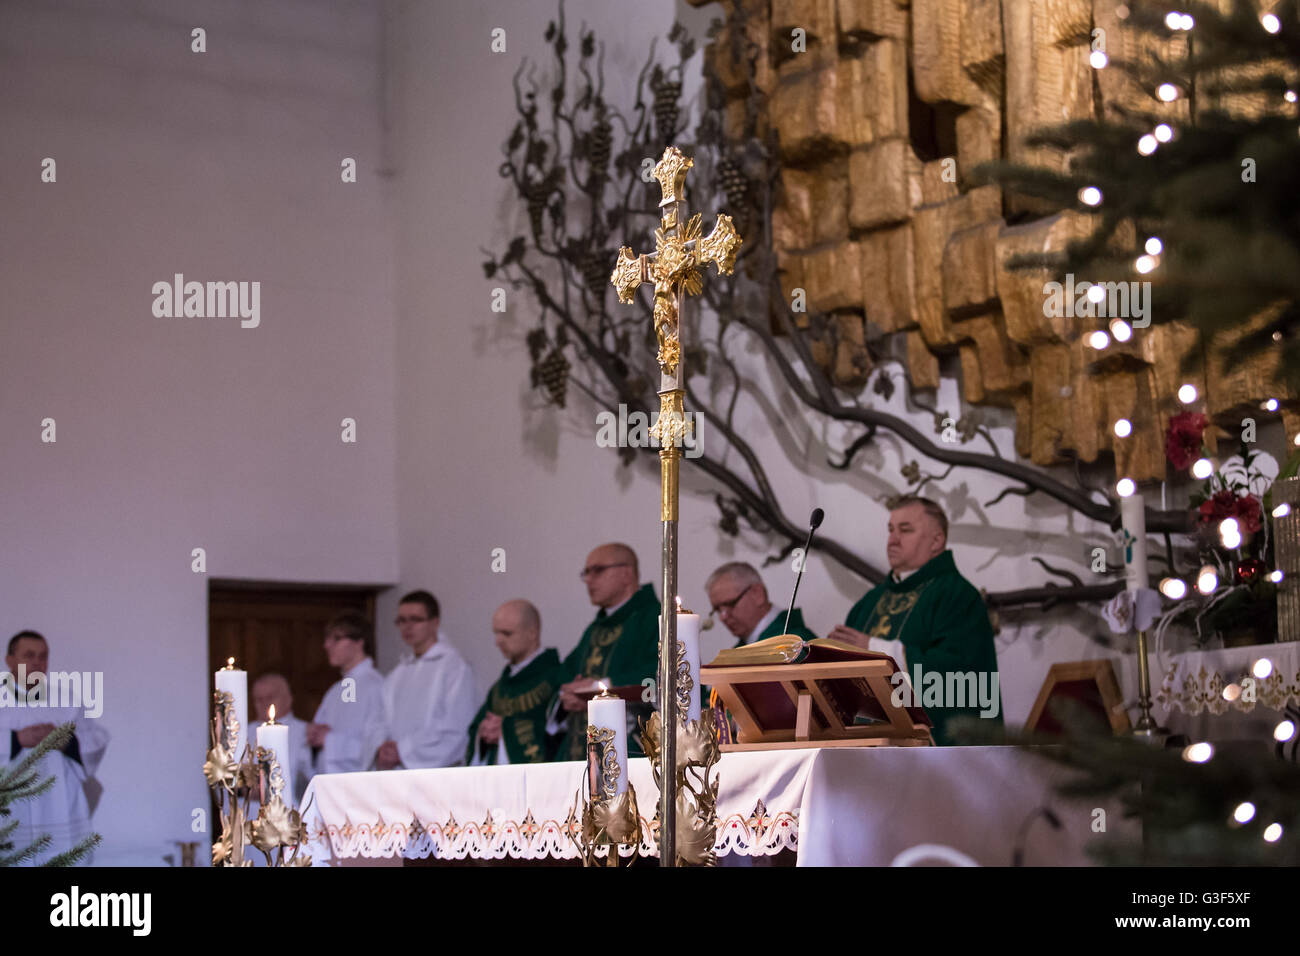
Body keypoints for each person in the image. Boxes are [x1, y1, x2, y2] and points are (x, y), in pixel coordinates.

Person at [827, 496, 1002, 745]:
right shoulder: (869, 603)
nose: (892, 539)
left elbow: (963, 680)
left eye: (905, 530)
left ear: (937, 540)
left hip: (937, 757)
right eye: (890, 530)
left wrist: (876, 650)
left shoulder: (958, 596)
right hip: (866, 750)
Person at [0, 631, 109, 865]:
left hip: (59, 806)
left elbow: (95, 741)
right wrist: (15, 740)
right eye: (29, 655)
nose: (37, 663)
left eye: (43, 656)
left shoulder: (65, 701)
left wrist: (67, 743)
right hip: (9, 812)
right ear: (9, 660)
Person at [553, 544, 659, 760]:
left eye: (598, 570)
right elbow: (566, 672)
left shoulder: (653, 618)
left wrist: (595, 690)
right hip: (581, 747)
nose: (589, 580)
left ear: (626, 574)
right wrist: (569, 693)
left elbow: (660, 675)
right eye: (586, 573)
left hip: (630, 745)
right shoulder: (597, 628)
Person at [363, 590, 478, 770]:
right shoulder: (399, 672)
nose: (407, 627)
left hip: (435, 772)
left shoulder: (454, 667)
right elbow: (379, 718)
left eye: (415, 619)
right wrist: (381, 747)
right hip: (396, 772)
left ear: (435, 622)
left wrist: (403, 750)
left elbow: (457, 725)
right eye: (401, 620)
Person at [466, 600, 562, 766]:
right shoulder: (499, 688)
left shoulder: (556, 678)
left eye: (507, 633)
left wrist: (505, 733)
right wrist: (484, 733)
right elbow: (476, 729)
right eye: (496, 633)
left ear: (532, 633)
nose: (498, 642)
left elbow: (560, 733)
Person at [308, 611, 385, 775]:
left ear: (359, 642)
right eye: (327, 639)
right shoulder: (337, 689)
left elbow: (375, 747)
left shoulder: (376, 686)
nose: (327, 645)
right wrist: (314, 735)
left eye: (336, 638)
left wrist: (329, 740)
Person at [705, 561, 818, 646]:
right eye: (718, 610)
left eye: (730, 604)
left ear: (757, 594)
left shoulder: (795, 642)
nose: (723, 617)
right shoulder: (742, 648)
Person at [251, 673, 313, 801]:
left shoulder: (307, 732)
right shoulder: (243, 732)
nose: (264, 704)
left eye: (270, 697)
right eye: (259, 699)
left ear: (288, 698)